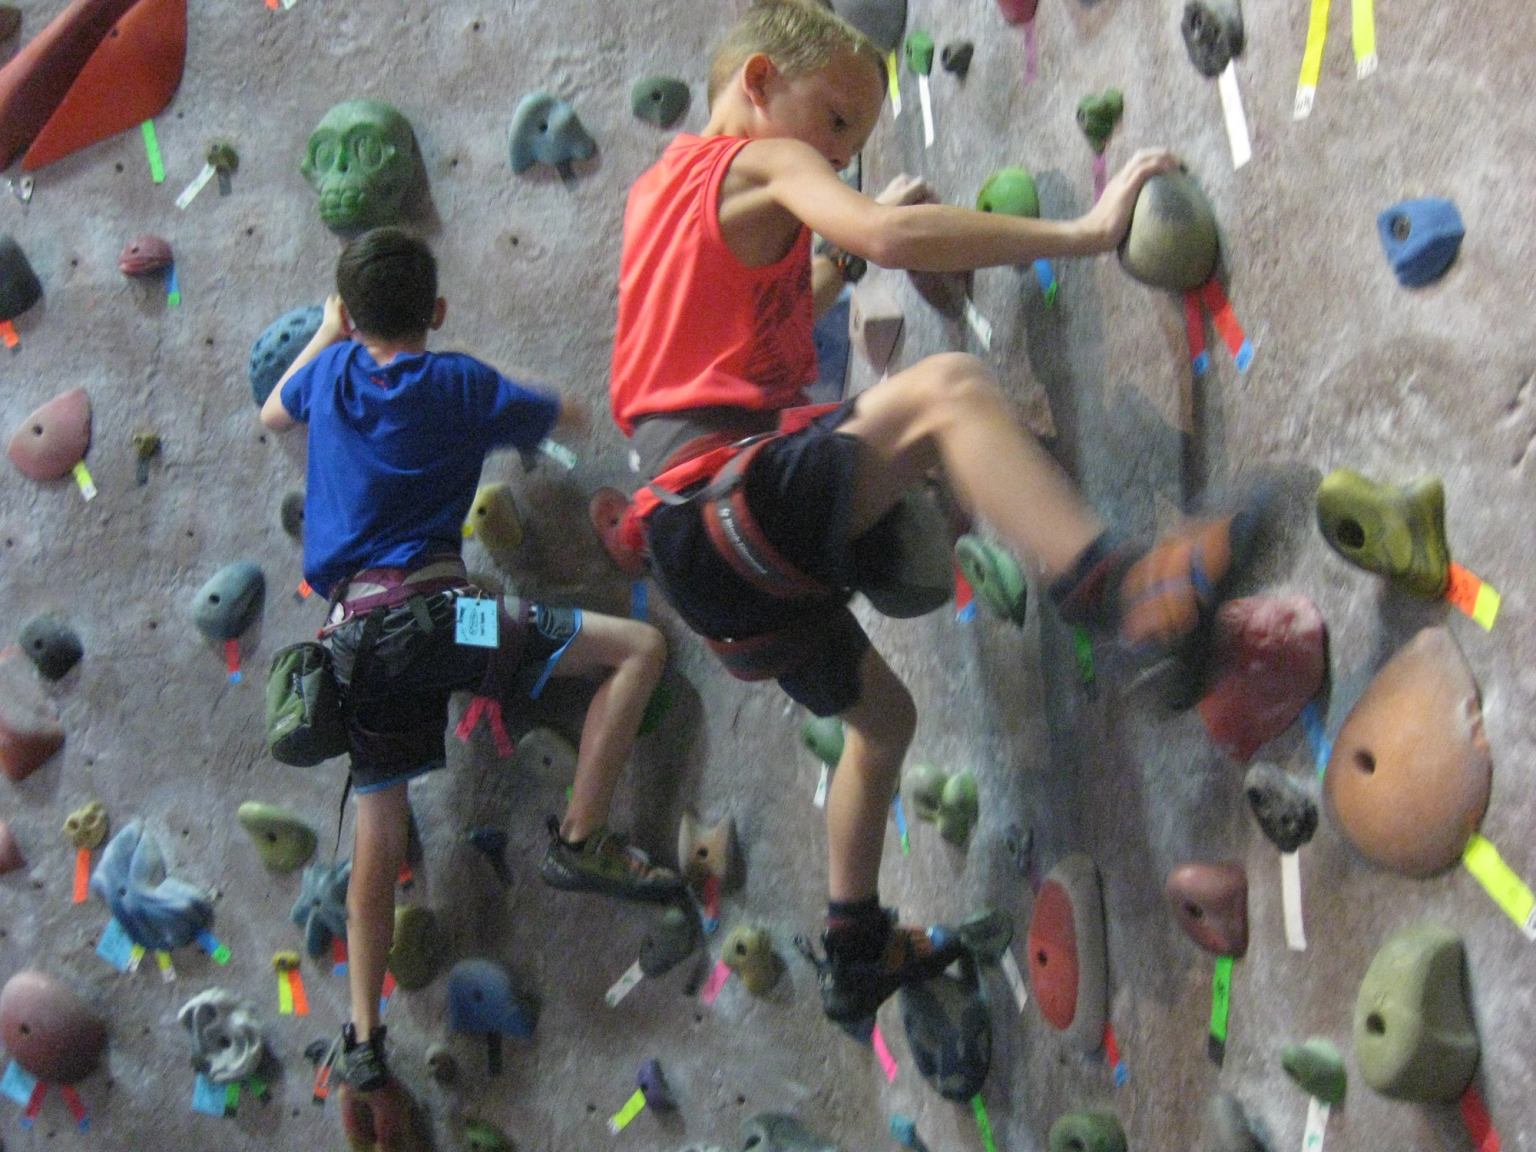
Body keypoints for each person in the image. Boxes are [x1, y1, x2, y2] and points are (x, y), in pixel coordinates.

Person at [606, 0, 1266, 1031]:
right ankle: (1122, 591)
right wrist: (1084, 233)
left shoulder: (666, 196)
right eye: (832, 124)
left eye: (854, 144)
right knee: (952, 388)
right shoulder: (756, 163)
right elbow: (887, 226)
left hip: (701, 555)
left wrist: (839, 265)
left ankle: (854, 943)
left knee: (883, 721)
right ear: (760, 83)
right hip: (720, 501)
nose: (838, 154)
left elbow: (743, 339)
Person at [260, 227, 683, 1104]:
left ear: (346, 313)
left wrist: (330, 331)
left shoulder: (331, 375)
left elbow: (273, 414)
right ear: (439, 310)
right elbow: (566, 412)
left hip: (353, 641)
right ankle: (582, 838)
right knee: (638, 647)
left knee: (378, 832)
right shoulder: (458, 382)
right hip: (453, 613)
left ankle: (366, 1038)